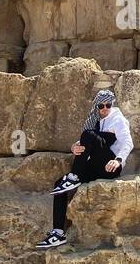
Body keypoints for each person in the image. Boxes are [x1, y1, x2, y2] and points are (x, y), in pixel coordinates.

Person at [35, 89, 134, 250]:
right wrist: (74, 146)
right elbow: (85, 139)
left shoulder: (118, 119)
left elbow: (128, 142)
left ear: (112, 104)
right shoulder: (95, 120)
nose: (105, 109)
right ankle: (58, 233)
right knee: (59, 184)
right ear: (96, 106)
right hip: (96, 166)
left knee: (88, 135)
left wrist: (118, 160)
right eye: (101, 106)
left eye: (108, 105)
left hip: (110, 166)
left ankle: (74, 177)